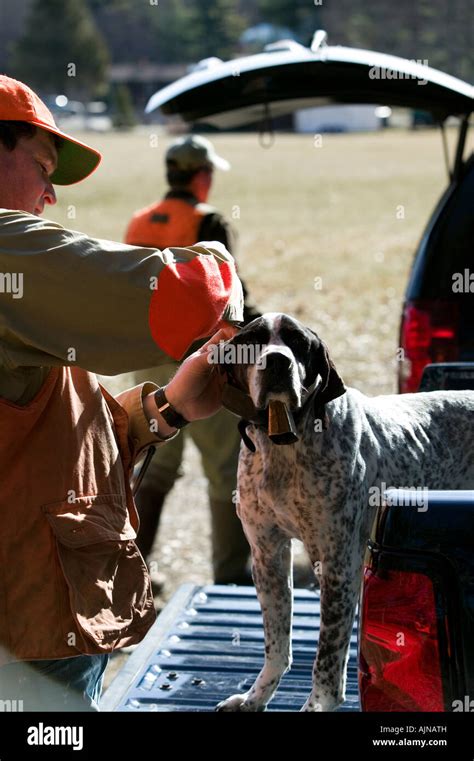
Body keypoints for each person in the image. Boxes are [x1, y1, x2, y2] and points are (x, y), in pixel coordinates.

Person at [0, 75, 243, 711]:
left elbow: (44, 428)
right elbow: (185, 297)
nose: (51, 194)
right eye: (42, 167)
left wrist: (164, 410)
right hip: (24, 641)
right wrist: (220, 261)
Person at [125, 135, 260, 586]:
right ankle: (230, 576)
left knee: (155, 462)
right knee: (226, 468)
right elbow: (229, 293)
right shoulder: (209, 221)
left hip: (147, 356)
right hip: (200, 360)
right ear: (202, 178)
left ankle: (132, 575)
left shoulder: (139, 221)